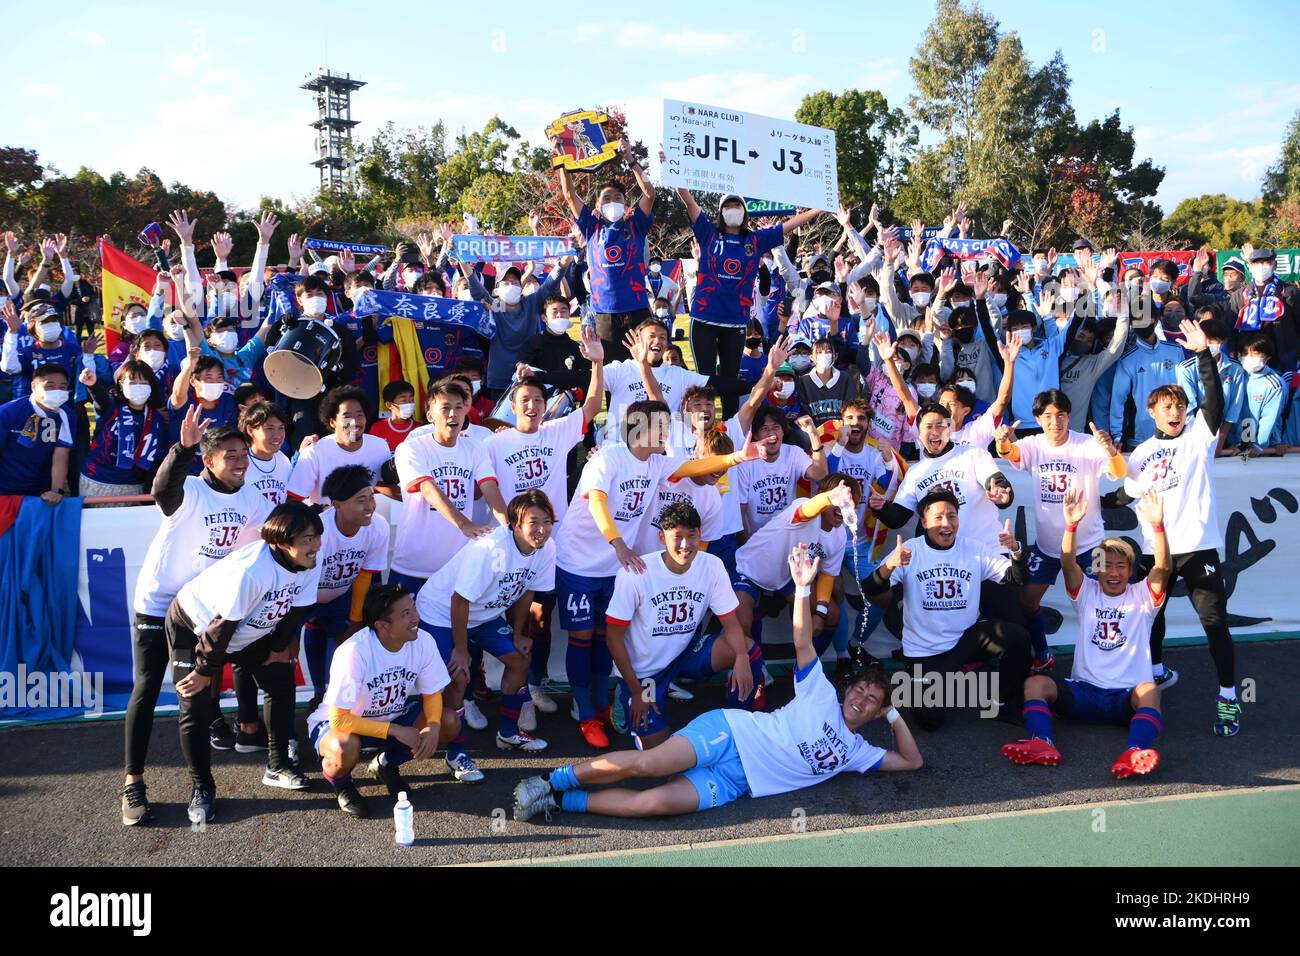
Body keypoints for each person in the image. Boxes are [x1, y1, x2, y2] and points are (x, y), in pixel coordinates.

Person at [511, 543, 922, 821]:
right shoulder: (819, 692)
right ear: (847, 689)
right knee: (648, 764)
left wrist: (894, 715)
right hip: (730, 733)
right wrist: (801, 588)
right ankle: (548, 781)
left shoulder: (857, 751)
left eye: (872, 701)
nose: (861, 699)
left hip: (736, 783)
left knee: (652, 803)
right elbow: (801, 638)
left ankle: (560, 801)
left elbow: (912, 762)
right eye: (860, 690)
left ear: (875, 712)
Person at [554, 398, 762, 748]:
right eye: (660, 426)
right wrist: (618, 543)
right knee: (582, 636)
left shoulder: (658, 463)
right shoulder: (608, 458)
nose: (666, 432)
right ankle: (586, 711)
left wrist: (735, 458)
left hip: (619, 566)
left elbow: (693, 468)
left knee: (608, 634)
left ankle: (605, 705)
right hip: (579, 561)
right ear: (637, 428)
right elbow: (596, 502)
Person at [121, 410, 273, 825]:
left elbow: (274, 538)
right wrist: (182, 448)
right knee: (148, 687)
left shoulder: (253, 498)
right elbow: (161, 488)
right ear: (208, 461)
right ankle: (134, 782)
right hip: (158, 603)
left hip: (198, 609)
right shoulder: (187, 489)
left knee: (195, 696)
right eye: (230, 455)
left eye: (244, 453)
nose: (241, 461)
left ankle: (202, 784)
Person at [1104, 319, 1242, 736]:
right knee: (1150, 620)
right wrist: (1096, 485)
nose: (1176, 412)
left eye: (1180, 406)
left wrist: (1203, 354)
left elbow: (1213, 402)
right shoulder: (1142, 452)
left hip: (1199, 546)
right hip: (1154, 550)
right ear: (1152, 412)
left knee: (1214, 622)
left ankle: (1230, 698)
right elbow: (1123, 493)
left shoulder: (1199, 437)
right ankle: (1157, 672)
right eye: (1167, 407)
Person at [167, 501, 323, 824]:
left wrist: (279, 648)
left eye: (316, 537)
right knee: (193, 705)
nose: (316, 546)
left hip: (244, 631)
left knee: (281, 681)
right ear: (282, 543)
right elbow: (220, 627)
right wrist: (203, 671)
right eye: (307, 539)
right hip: (194, 626)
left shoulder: (311, 561)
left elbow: (296, 612)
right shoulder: (253, 570)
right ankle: (202, 787)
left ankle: (278, 765)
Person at [1002, 488, 1170, 778]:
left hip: (1124, 697)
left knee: (1150, 691)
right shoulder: (1087, 592)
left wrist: (1157, 526)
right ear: (1097, 569)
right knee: (1036, 685)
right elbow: (1067, 562)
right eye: (1107, 565)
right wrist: (1070, 525)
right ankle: (1042, 743)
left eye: (1121, 566)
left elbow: (1163, 567)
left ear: (1130, 571)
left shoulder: (1142, 596)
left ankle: (1135, 751)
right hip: (1084, 694)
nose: (1114, 572)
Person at [490, 327, 605, 721]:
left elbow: (592, 406)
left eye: (539, 400)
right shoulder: (495, 442)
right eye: (525, 400)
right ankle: (509, 694)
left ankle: (532, 685)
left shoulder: (557, 432)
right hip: (510, 545)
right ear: (513, 404)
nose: (533, 406)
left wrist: (597, 363)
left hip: (551, 545)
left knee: (539, 618)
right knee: (506, 620)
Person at [863, 489, 1032, 730]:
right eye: (938, 517)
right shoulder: (911, 550)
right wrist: (890, 566)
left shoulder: (973, 549)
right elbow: (870, 588)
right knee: (930, 722)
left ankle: (1003, 702)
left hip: (965, 641)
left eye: (952, 516)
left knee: (1017, 636)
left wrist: (1016, 552)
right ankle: (935, 683)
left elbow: (1016, 578)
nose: (946, 524)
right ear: (924, 521)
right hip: (924, 651)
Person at [608, 502, 764, 749]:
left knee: (747, 649)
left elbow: (730, 622)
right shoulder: (635, 573)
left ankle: (741, 729)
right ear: (661, 537)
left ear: (700, 535)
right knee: (658, 754)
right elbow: (613, 638)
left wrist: (742, 658)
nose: (685, 544)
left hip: (684, 652)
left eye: (691, 536)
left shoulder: (711, 565)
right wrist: (635, 690)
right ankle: (624, 695)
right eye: (677, 536)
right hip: (645, 671)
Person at [417, 489, 557, 758]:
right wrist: (460, 649)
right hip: (441, 613)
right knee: (460, 674)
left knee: (519, 658)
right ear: (515, 524)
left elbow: (528, 589)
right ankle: (457, 752)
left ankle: (508, 733)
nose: (542, 530)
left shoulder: (547, 547)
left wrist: (518, 634)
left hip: (483, 615)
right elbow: (459, 600)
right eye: (533, 522)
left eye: (547, 522)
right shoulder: (492, 548)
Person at [994, 389, 1127, 670]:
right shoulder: (1034, 444)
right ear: (1038, 419)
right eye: (1048, 416)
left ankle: (1107, 662)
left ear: (1070, 416)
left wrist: (1112, 451)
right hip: (1047, 547)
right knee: (1028, 602)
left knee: (1103, 605)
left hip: (1090, 545)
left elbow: (1119, 472)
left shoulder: (1088, 444)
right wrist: (1002, 442)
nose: (1055, 422)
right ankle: (1042, 655)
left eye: (1061, 415)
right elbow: (1010, 452)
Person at [671, 182, 822, 416]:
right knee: (705, 381)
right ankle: (703, 430)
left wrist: (818, 209)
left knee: (731, 380)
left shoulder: (755, 239)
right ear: (721, 212)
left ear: (744, 212)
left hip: (735, 323)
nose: (733, 209)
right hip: (704, 320)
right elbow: (689, 202)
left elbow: (788, 225)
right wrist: (676, 173)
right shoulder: (708, 233)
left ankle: (731, 429)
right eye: (728, 205)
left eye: (737, 205)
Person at [308, 584, 458, 817]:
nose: (415, 618)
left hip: (391, 716)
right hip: (342, 724)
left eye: (413, 609)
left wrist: (433, 727)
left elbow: (432, 693)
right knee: (343, 748)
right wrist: (396, 730)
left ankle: (387, 764)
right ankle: (343, 785)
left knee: (448, 721)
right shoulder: (354, 652)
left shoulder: (423, 641)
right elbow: (339, 720)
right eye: (406, 614)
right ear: (382, 626)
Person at [556, 140, 656, 362]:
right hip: (604, 312)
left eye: (618, 198)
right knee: (612, 374)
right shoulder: (591, 226)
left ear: (626, 203)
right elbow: (569, 194)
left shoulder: (636, 224)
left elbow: (649, 193)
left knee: (643, 369)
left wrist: (630, 159)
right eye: (607, 199)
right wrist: (562, 159)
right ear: (598, 206)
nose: (613, 202)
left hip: (637, 308)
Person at [733, 478, 858, 651]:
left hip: (788, 577)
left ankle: (804, 672)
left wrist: (820, 614)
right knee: (742, 626)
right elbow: (806, 511)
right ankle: (754, 670)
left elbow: (828, 575)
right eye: (839, 501)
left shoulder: (840, 536)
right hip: (750, 569)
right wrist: (830, 497)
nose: (843, 508)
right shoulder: (805, 505)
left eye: (849, 503)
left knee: (832, 614)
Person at [302, 465, 390, 704]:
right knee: (305, 635)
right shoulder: (319, 530)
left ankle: (337, 698)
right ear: (337, 504)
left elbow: (365, 574)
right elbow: (301, 578)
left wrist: (355, 619)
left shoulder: (378, 526)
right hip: (305, 595)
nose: (370, 506)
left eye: (371, 497)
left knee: (347, 645)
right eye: (361, 500)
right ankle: (318, 692)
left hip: (342, 593)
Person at [286, 386, 391, 504]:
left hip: (370, 520)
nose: (354, 422)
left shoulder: (380, 446)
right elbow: (294, 498)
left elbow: (386, 488)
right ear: (332, 422)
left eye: (359, 415)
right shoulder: (315, 452)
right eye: (347, 417)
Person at [78, 358, 165, 499]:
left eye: (143, 382)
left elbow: (156, 460)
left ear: (151, 386)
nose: (138, 386)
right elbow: (101, 398)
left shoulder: (156, 420)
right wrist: (93, 385)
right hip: (97, 481)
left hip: (134, 486)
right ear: (121, 385)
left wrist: (149, 494)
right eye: (132, 382)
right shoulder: (111, 407)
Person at [735, 407, 828, 535]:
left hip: (788, 535)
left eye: (776, 427)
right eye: (764, 429)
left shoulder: (793, 453)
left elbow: (819, 474)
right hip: (756, 539)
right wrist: (746, 546)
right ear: (755, 435)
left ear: (783, 431)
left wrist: (813, 434)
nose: (771, 434)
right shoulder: (746, 463)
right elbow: (740, 512)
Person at [0, 362, 73, 501]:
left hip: (40, 491)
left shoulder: (66, 415)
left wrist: (55, 490)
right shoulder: (7, 413)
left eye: (62, 387)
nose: (57, 392)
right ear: (33, 386)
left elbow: (61, 454)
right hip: (4, 489)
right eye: (50, 386)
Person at [239, 401, 292, 505]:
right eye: (269, 428)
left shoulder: (283, 460)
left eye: (281, 428)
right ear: (250, 430)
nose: (277, 435)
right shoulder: (239, 462)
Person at [796, 336, 857, 426]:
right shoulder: (803, 381)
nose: (824, 355)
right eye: (819, 352)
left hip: (841, 431)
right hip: (814, 433)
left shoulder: (845, 378)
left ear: (835, 356)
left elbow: (851, 407)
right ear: (812, 357)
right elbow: (803, 412)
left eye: (828, 352)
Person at [370, 380, 417, 452]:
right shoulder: (377, 428)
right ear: (389, 405)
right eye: (403, 400)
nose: (409, 404)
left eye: (411, 400)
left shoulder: (419, 428)